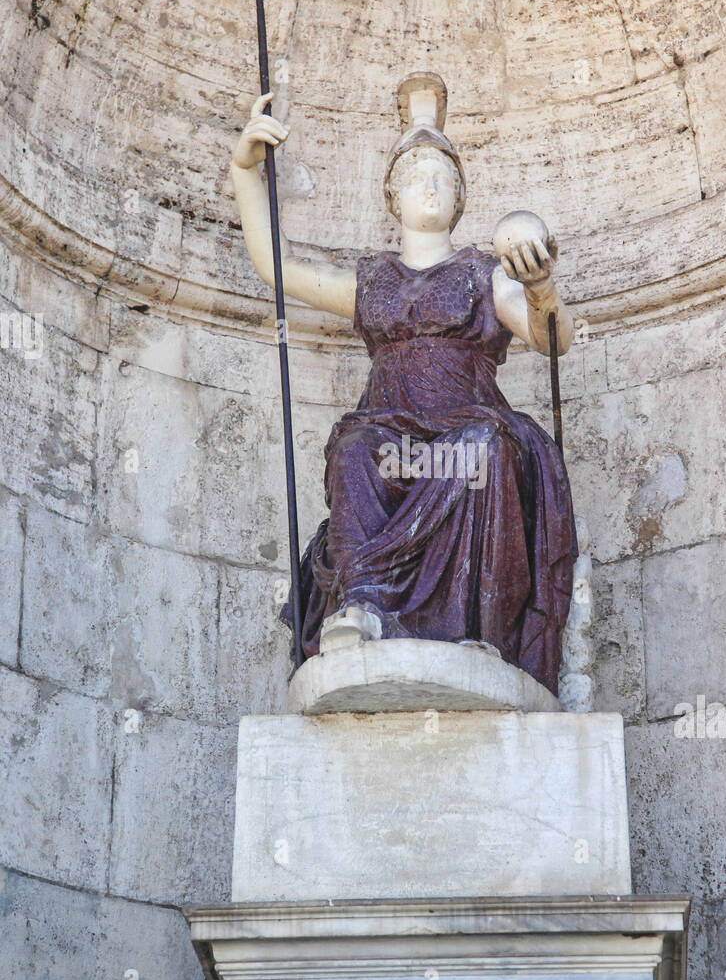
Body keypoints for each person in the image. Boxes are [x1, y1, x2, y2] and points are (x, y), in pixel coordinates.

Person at [231, 73, 577, 695]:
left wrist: (541, 286)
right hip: (390, 433)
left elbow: (551, 339)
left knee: (485, 451)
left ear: (460, 196)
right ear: (392, 194)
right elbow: (275, 268)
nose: (429, 185)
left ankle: (485, 631)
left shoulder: (482, 274)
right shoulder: (373, 281)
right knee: (354, 449)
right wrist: (246, 171)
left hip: (465, 424)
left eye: (442, 177)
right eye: (417, 174)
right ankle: (361, 610)